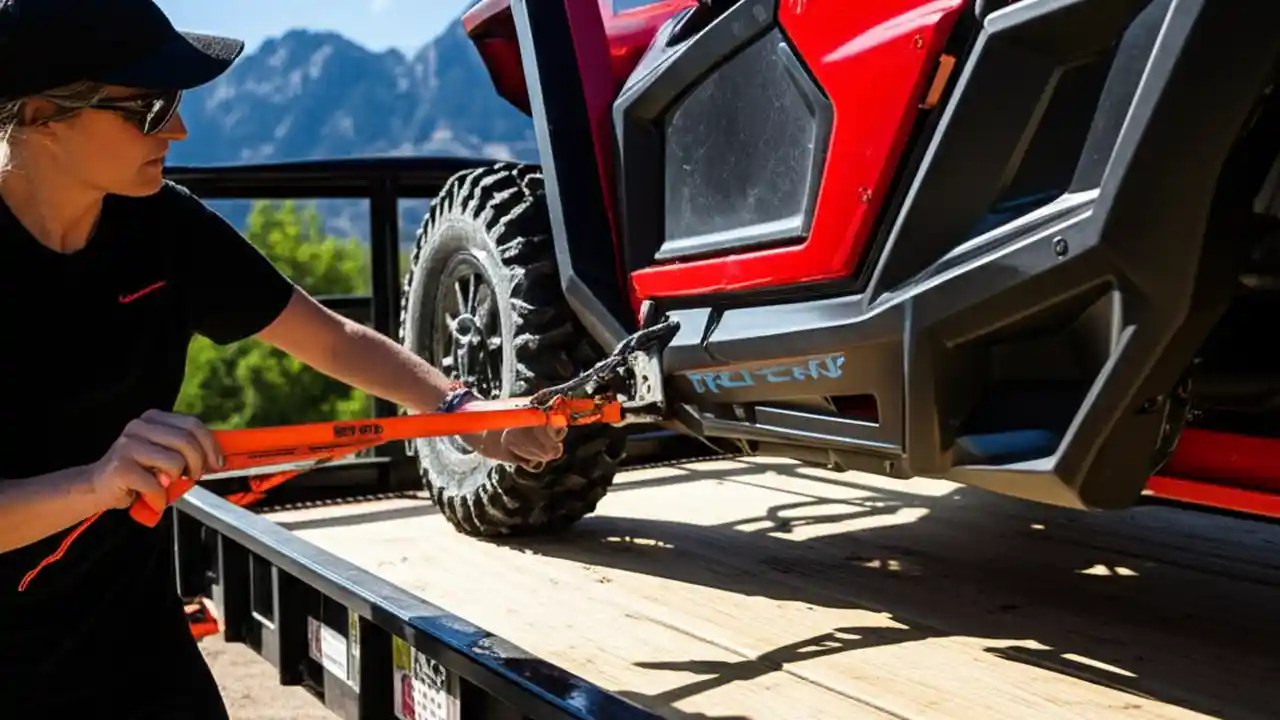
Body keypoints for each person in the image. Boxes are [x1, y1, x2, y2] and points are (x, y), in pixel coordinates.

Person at [0, 0, 566, 716]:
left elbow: (329, 338)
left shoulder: (163, 227)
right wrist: (97, 482)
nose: (178, 127)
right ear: (43, 115)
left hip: (130, 627)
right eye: (148, 108)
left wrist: (463, 412)